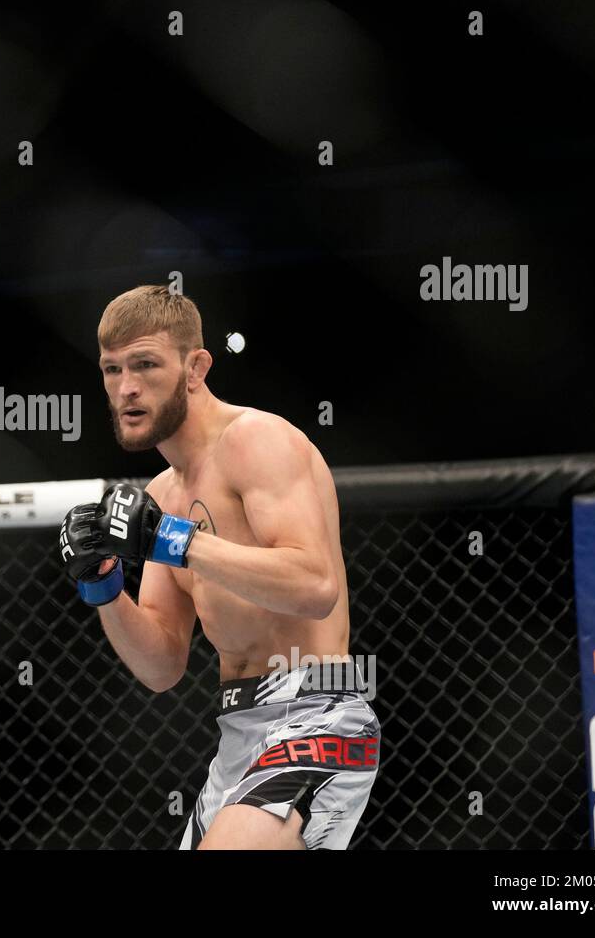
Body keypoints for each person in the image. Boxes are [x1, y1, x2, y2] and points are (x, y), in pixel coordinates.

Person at [58, 285, 378, 849]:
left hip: (317, 710)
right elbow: (161, 666)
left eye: (146, 364)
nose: (126, 387)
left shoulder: (257, 440)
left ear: (195, 367)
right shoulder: (161, 493)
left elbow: (315, 585)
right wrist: (104, 587)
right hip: (237, 734)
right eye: (112, 369)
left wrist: (176, 541)